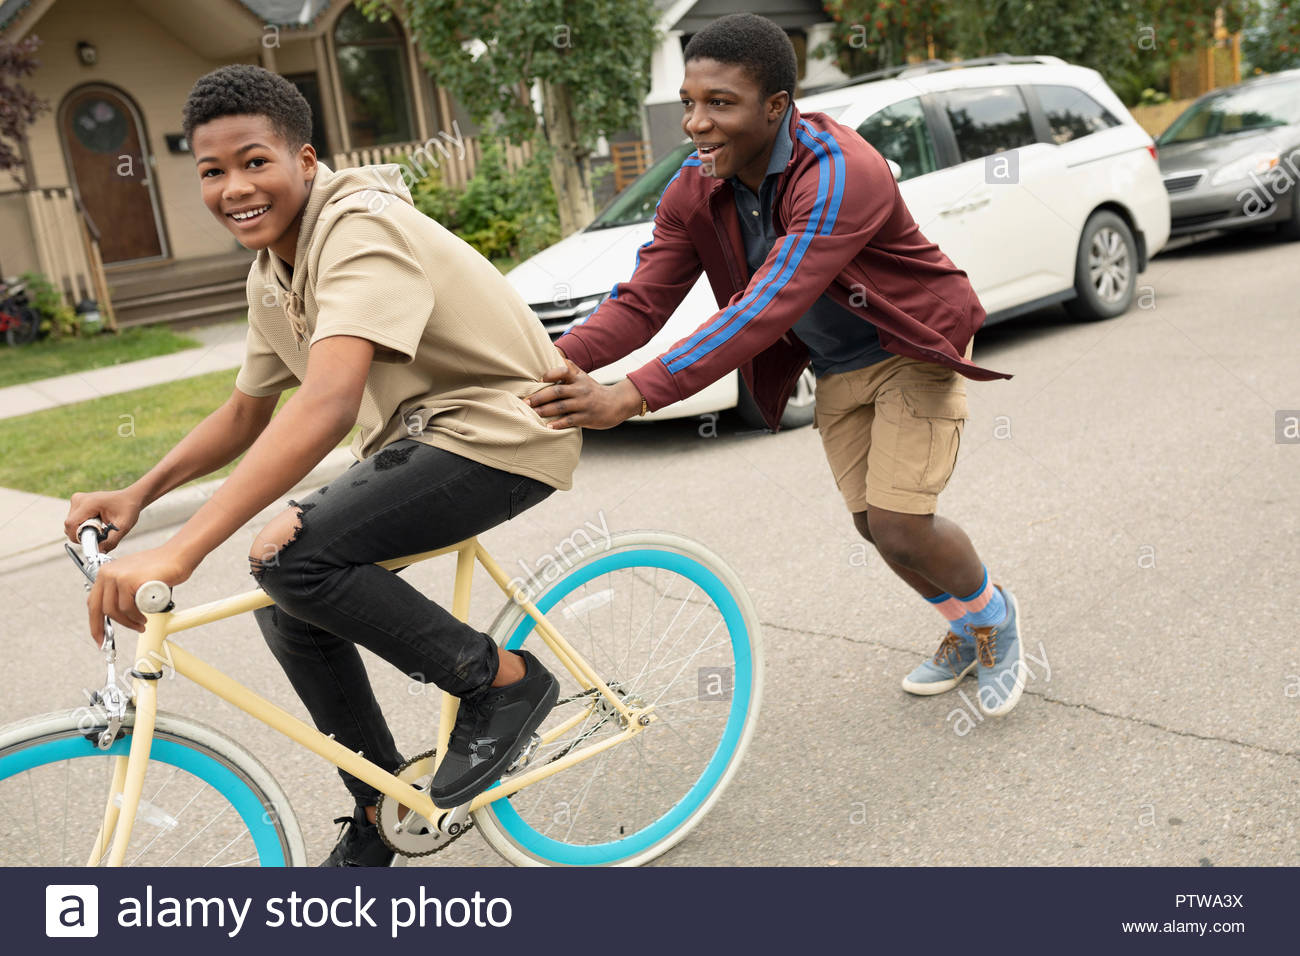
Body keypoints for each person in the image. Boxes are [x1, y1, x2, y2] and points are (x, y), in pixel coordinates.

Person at [62, 65, 579, 866]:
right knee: (289, 602)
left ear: (306, 161)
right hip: (421, 443)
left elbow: (328, 401)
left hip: (503, 435)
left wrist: (182, 549)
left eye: (254, 161)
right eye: (212, 170)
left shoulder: (359, 228)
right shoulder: (272, 270)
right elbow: (245, 410)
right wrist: (139, 494)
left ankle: (502, 683)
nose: (234, 186)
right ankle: (381, 810)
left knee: (297, 560)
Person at [529, 14, 1028, 719]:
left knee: (899, 523)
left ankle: (993, 623)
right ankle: (963, 620)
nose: (696, 124)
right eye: (689, 104)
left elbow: (765, 306)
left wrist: (632, 395)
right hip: (836, 363)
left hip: (911, 347)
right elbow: (641, 303)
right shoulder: (694, 188)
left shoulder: (838, 172)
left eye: (720, 104)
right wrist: (536, 364)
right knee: (870, 525)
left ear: (776, 106)